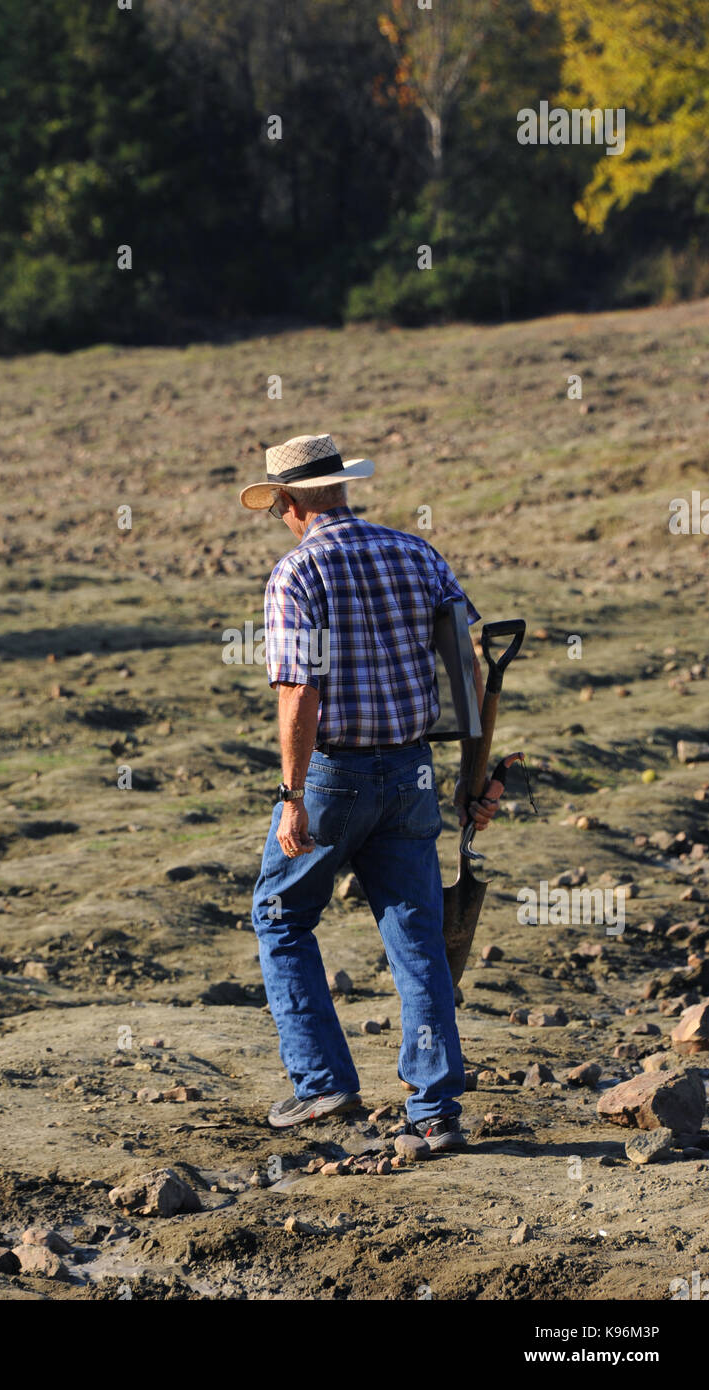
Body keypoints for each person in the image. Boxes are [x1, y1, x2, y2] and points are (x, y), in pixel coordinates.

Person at [239, 434, 500, 1149]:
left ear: (289, 503)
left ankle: (322, 1085)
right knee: (415, 935)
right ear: (341, 489)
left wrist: (290, 795)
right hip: (412, 769)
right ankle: (435, 1112)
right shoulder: (415, 554)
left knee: (281, 915)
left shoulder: (297, 572)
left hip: (333, 775)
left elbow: (298, 694)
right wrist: (470, 773)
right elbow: (466, 669)